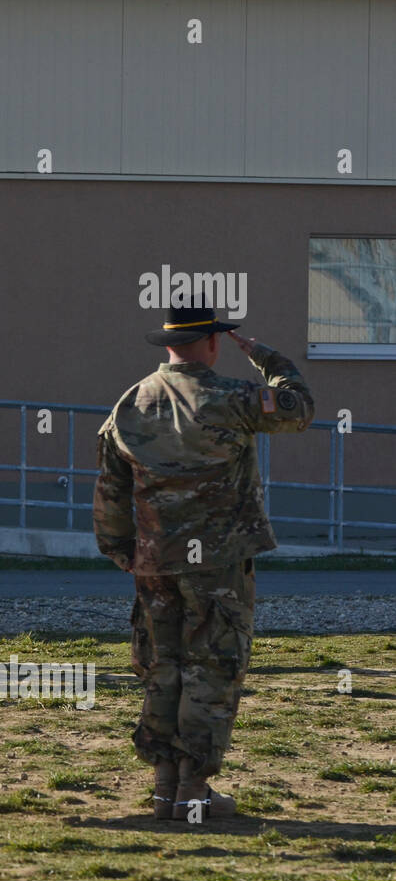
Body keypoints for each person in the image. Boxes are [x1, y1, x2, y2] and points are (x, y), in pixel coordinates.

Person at [93, 297, 314, 822]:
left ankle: (165, 790)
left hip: (155, 562)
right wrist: (267, 358)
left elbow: (110, 487)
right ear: (213, 342)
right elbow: (298, 409)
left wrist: (121, 549)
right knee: (213, 668)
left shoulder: (132, 402)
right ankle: (193, 793)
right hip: (218, 563)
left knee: (162, 665)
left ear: (168, 344)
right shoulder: (233, 396)